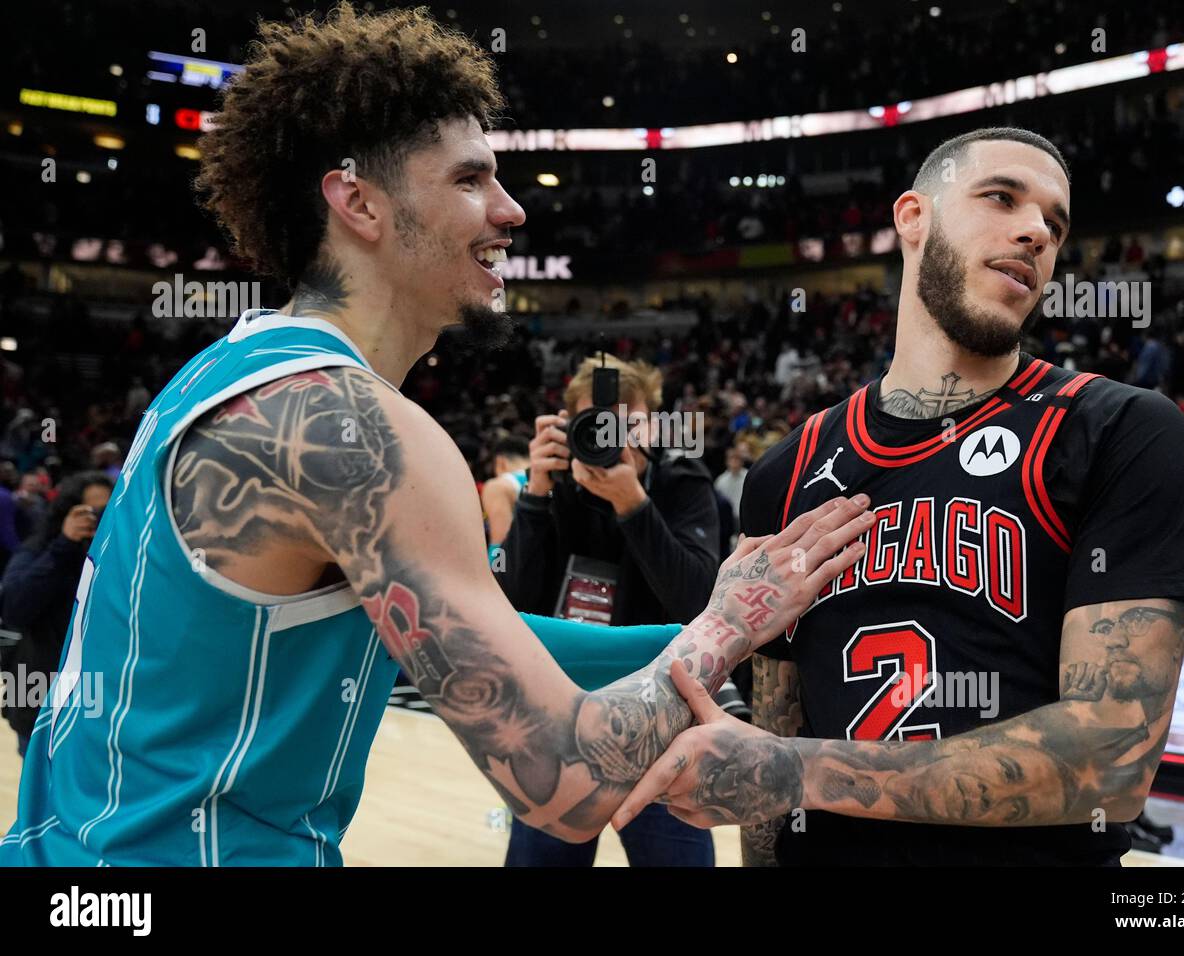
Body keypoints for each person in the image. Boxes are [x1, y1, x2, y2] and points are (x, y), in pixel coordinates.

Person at [0, 3, 872, 866]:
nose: (512, 210)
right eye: (470, 179)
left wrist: (726, 621)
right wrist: (727, 623)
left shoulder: (220, 373)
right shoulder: (353, 429)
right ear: (359, 203)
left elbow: (499, 633)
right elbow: (567, 785)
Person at [612, 127, 1184, 867]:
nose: (1034, 230)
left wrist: (795, 772)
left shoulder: (1120, 429)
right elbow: (770, 740)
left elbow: (1113, 759)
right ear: (913, 217)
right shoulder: (788, 469)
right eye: (1002, 197)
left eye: (1054, 225)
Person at [496, 353, 722, 866]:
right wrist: (534, 495)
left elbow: (696, 603)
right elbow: (508, 602)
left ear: (651, 423)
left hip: (662, 729)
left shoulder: (681, 479)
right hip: (560, 730)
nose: (609, 434)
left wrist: (634, 505)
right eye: (595, 421)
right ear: (568, 425)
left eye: (628, 420)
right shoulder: (551, 486)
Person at [0, 473, 113, 757]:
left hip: (99, 700)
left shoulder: (121, 556)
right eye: (91, 511)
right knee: (39, 791)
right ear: (68, 511)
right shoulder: (41, 549)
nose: (99, 518)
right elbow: (14, 607)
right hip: (37, 693)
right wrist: (65, 543)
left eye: (107, 510)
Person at [480, 435, 530, 547]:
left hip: (522, 561)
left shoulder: (499, 486)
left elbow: (500, 544)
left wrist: (495, 564)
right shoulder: (555, 478)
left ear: (500, 462)